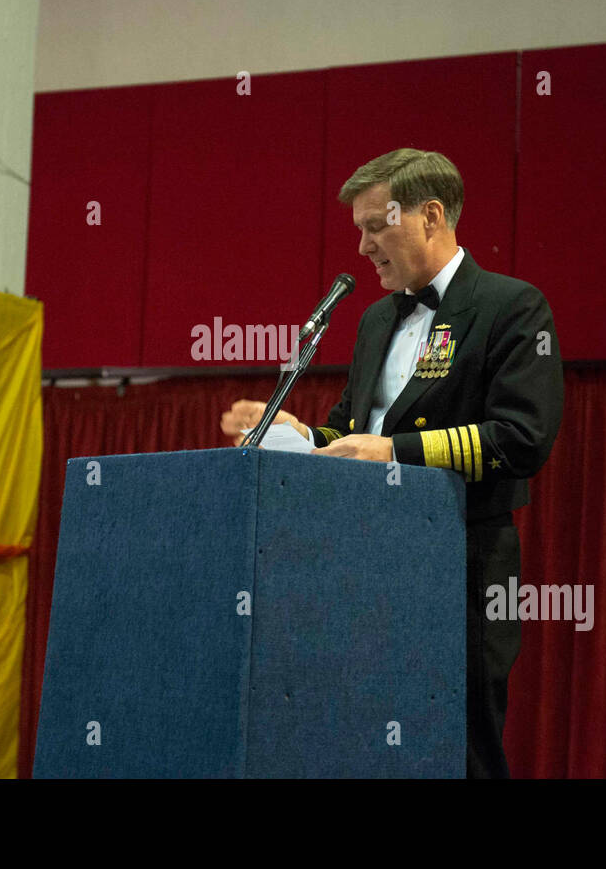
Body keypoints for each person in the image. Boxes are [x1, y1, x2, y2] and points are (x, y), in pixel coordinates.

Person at [220, 148, 563, 778]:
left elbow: (523, 438)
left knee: (460, 745)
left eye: (377, 225)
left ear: (431, 216)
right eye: (359, 230)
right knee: (360, 735)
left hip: (463, 560)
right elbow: (356, 429)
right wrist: (299, 436)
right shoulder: (377, 319)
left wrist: (393, 452)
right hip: (363, 557)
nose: (363, 246)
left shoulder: (511, 307)